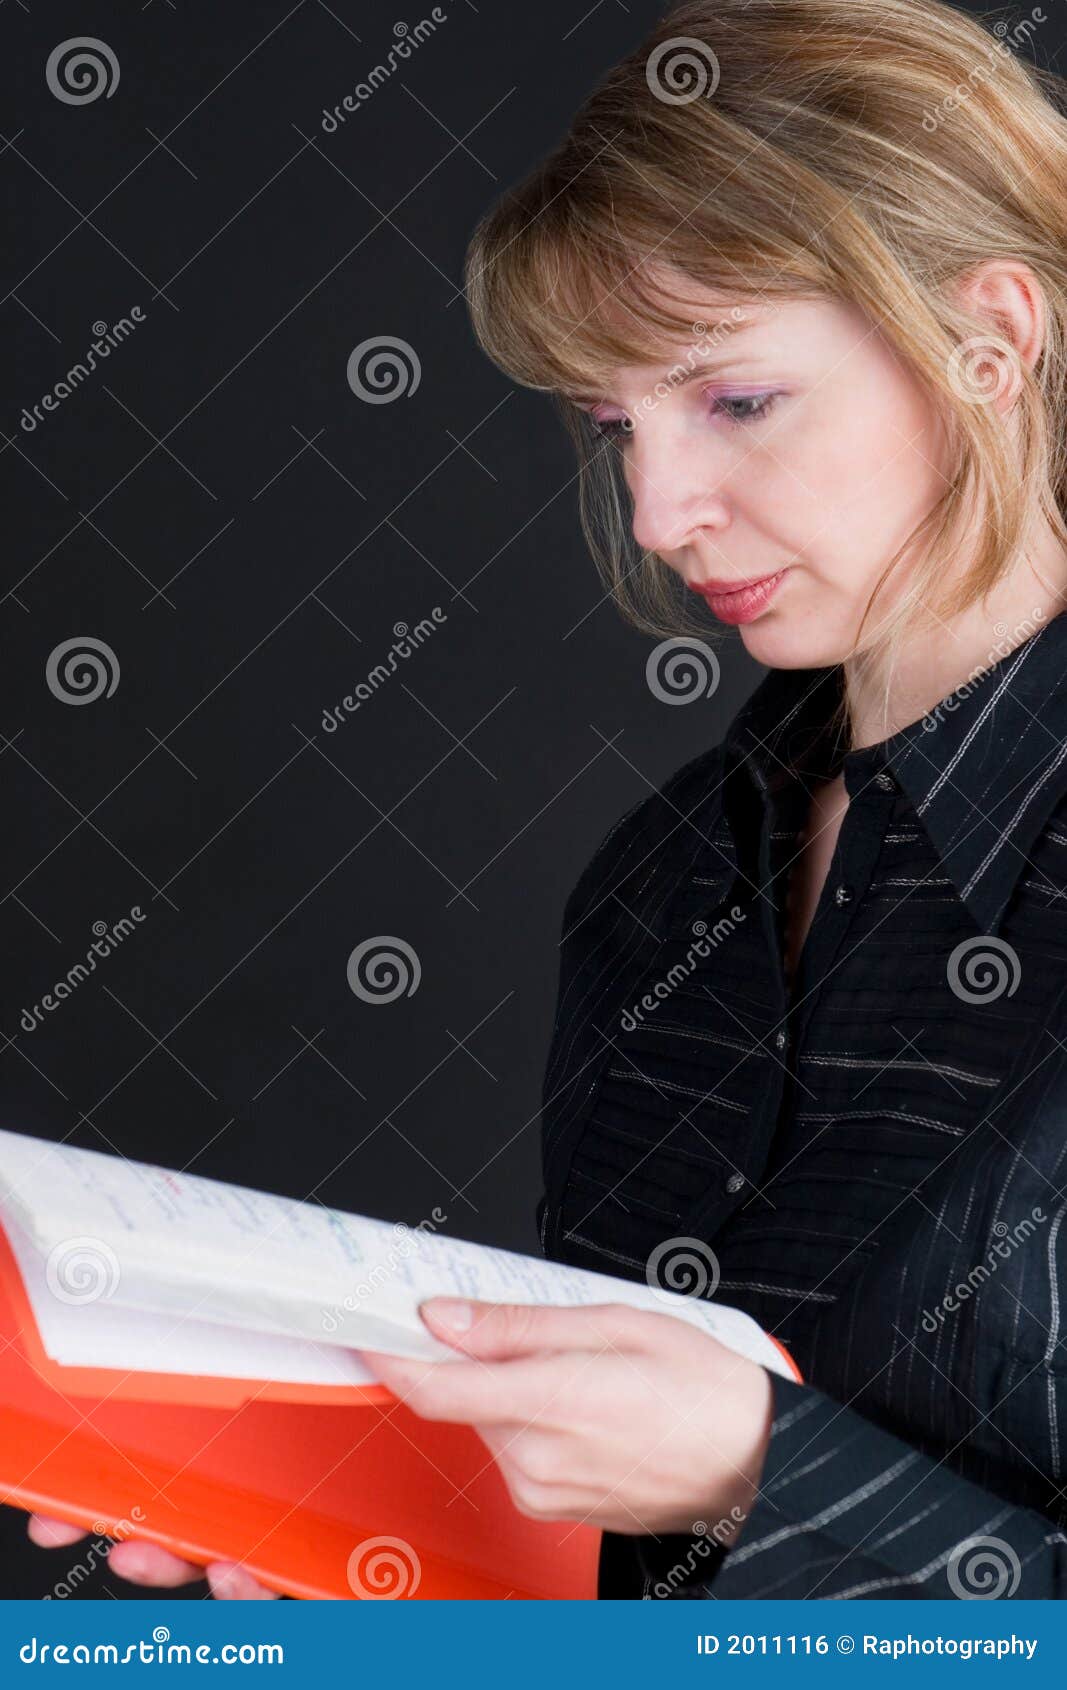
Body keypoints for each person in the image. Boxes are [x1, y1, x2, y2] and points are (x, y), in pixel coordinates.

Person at [32, 0, 1067, 1598]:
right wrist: (345, 1522)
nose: (659, 511)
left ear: (993, 338)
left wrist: (756, 1467)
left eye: (732, 400)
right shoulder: (664, 881)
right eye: (613, 426)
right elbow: (608, 1581)